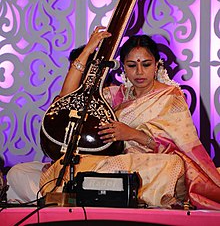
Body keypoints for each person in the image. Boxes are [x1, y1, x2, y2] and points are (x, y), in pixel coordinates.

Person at [38, 27, 220, 210]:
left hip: (153, 163)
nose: (139, 72)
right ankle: (119, 193)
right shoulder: (115, 95)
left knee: (173, 164)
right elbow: (67, 98)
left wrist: (132, 134)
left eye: (146, 64)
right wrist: (87, 51)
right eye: (132, 65)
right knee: (74, 164)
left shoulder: (171, 97)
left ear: (157, 64)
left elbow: (180, 147)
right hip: (117, 162)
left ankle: (119, 193)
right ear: (123, 67)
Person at [3, 45, 95, 204]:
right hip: (58, 165)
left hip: (87, 167)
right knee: (17, 172)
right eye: (73, 68)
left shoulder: (106, 97)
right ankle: (50, 203)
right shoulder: (62, 101)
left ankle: (52, 204)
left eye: (80, 68)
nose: (76, 74)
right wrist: (54, 166)